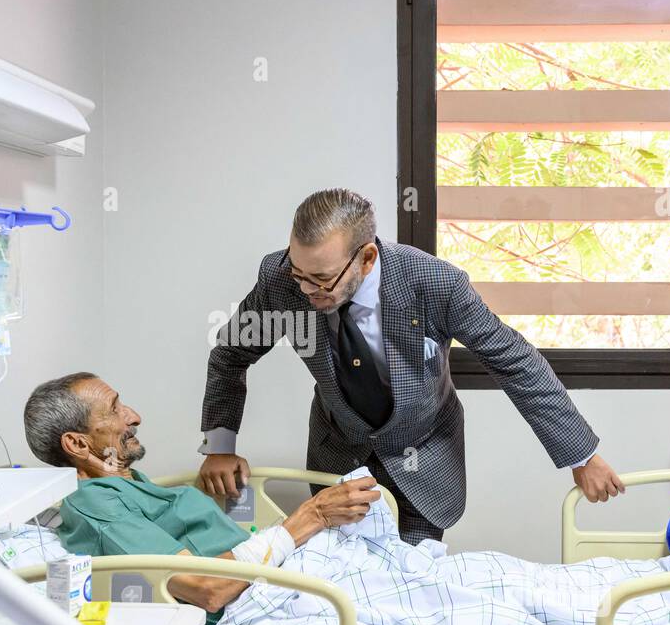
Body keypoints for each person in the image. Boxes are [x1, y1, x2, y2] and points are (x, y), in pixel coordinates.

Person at [197, 188, 623, 545]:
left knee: (414, 588)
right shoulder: (280, 281)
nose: (307, 289)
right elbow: (232, 352)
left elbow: (513, 361)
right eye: (298, 273)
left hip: (425, 456)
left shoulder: (436, 284)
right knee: (348, 592)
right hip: (339, 455)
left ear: (365, 258)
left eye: (321, 279)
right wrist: (220, 446)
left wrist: (581, 455)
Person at [22, 372, 381, 619]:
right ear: (77, 443)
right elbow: (208, 588)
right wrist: (312, 516)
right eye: (115, 409)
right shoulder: (95, 504)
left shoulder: (125, 483)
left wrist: (201, 491)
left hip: (276, 578)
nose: (134, 416)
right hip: (245, 609)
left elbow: (176, 532)